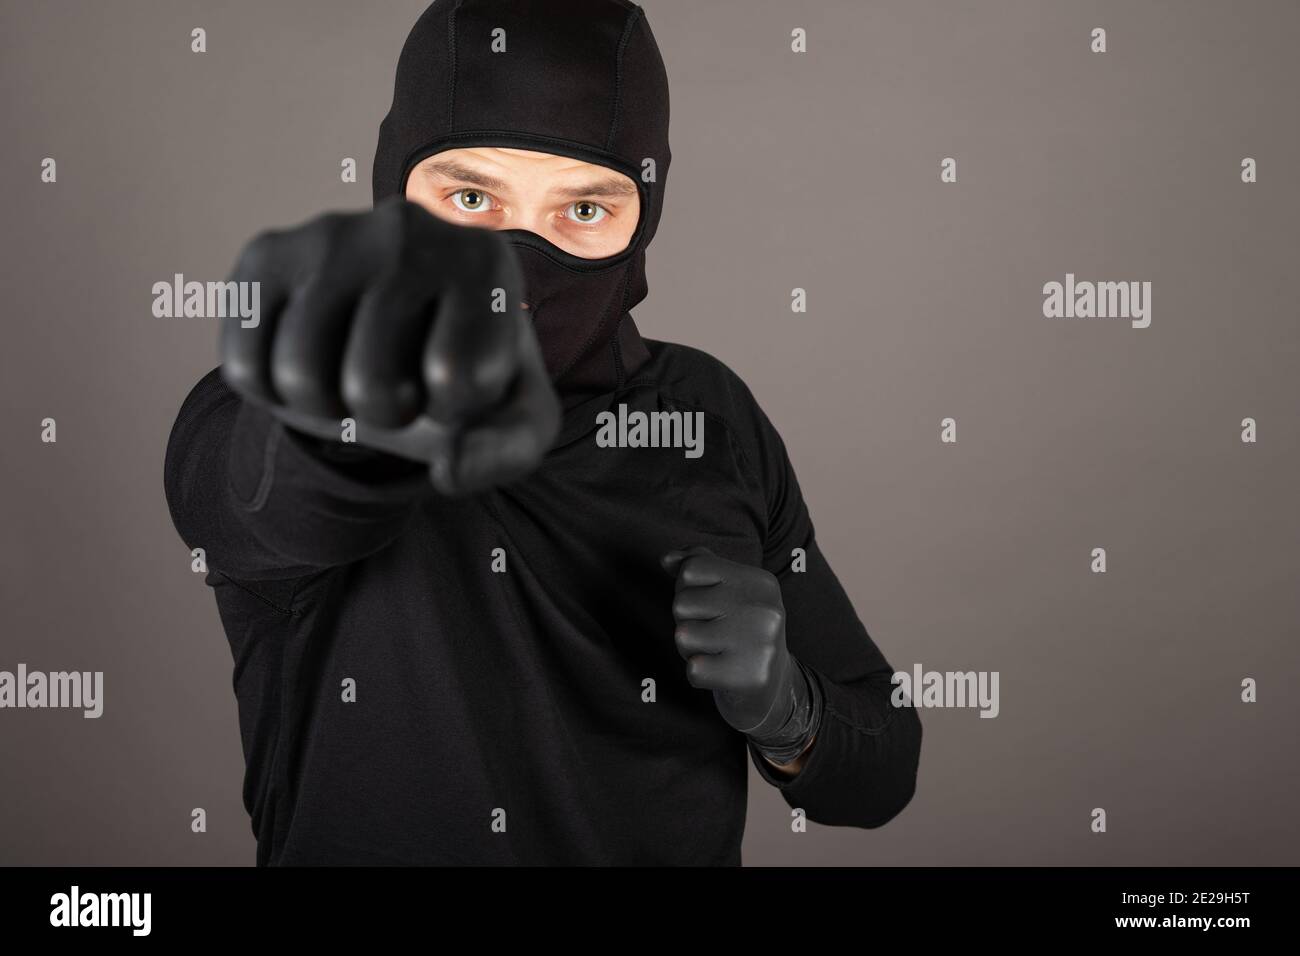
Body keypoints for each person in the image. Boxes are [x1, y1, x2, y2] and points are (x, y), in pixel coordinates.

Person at [164, 0, 921, 866]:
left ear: (646, 222)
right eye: (473, 196)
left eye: (585, 211)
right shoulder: (273, 399)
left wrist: (791, 713)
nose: (515, 267)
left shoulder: (710, 418)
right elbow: (257, 495)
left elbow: (884, 769)